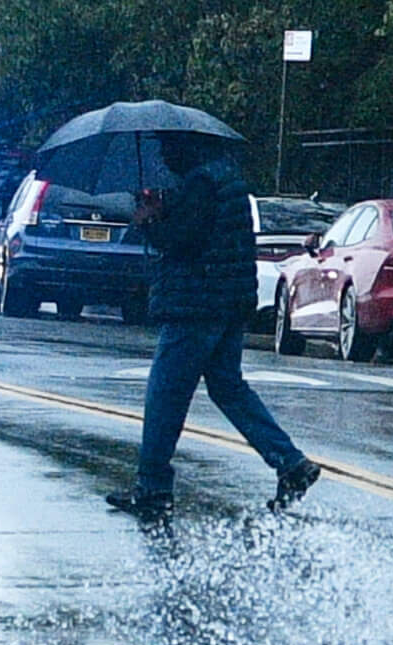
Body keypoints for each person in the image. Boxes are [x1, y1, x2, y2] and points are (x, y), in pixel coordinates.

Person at [106, 132, 322, 518]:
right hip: (228, 302)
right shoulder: (225, 179)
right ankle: (290, 464)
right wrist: (165, 208)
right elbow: (207, 233)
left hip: (195, 304)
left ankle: (153, 488)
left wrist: (150, 221)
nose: (164, 156)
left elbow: (183, 241)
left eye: (167, 147)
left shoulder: (201, 183)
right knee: (228, 388)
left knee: (165, 395)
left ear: (185, 147)